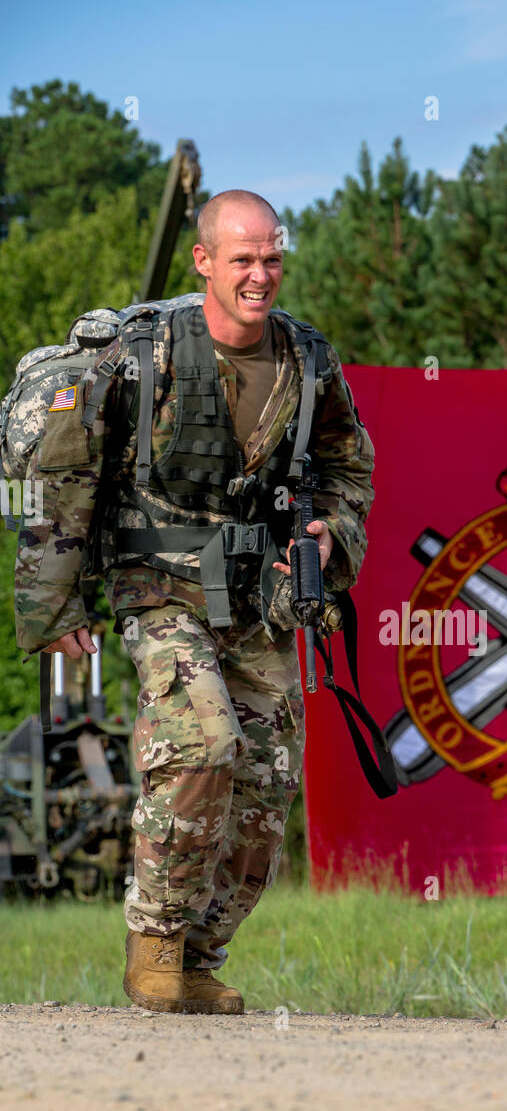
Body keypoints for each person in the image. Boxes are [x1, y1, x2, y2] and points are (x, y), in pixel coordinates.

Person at [14, 189, 375, 1014]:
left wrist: (328, 539)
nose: (260, 275)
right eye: (242, 259)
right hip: (157, 584)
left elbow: (350, 472)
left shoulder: (307, 361)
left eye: (272, 258)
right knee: (203, 741)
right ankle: (155, 942)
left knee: (268, 780)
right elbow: (65, 477)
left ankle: (201, 958)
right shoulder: (143, 356)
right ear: (204, 261)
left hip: (257, 596)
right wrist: (51, 606)